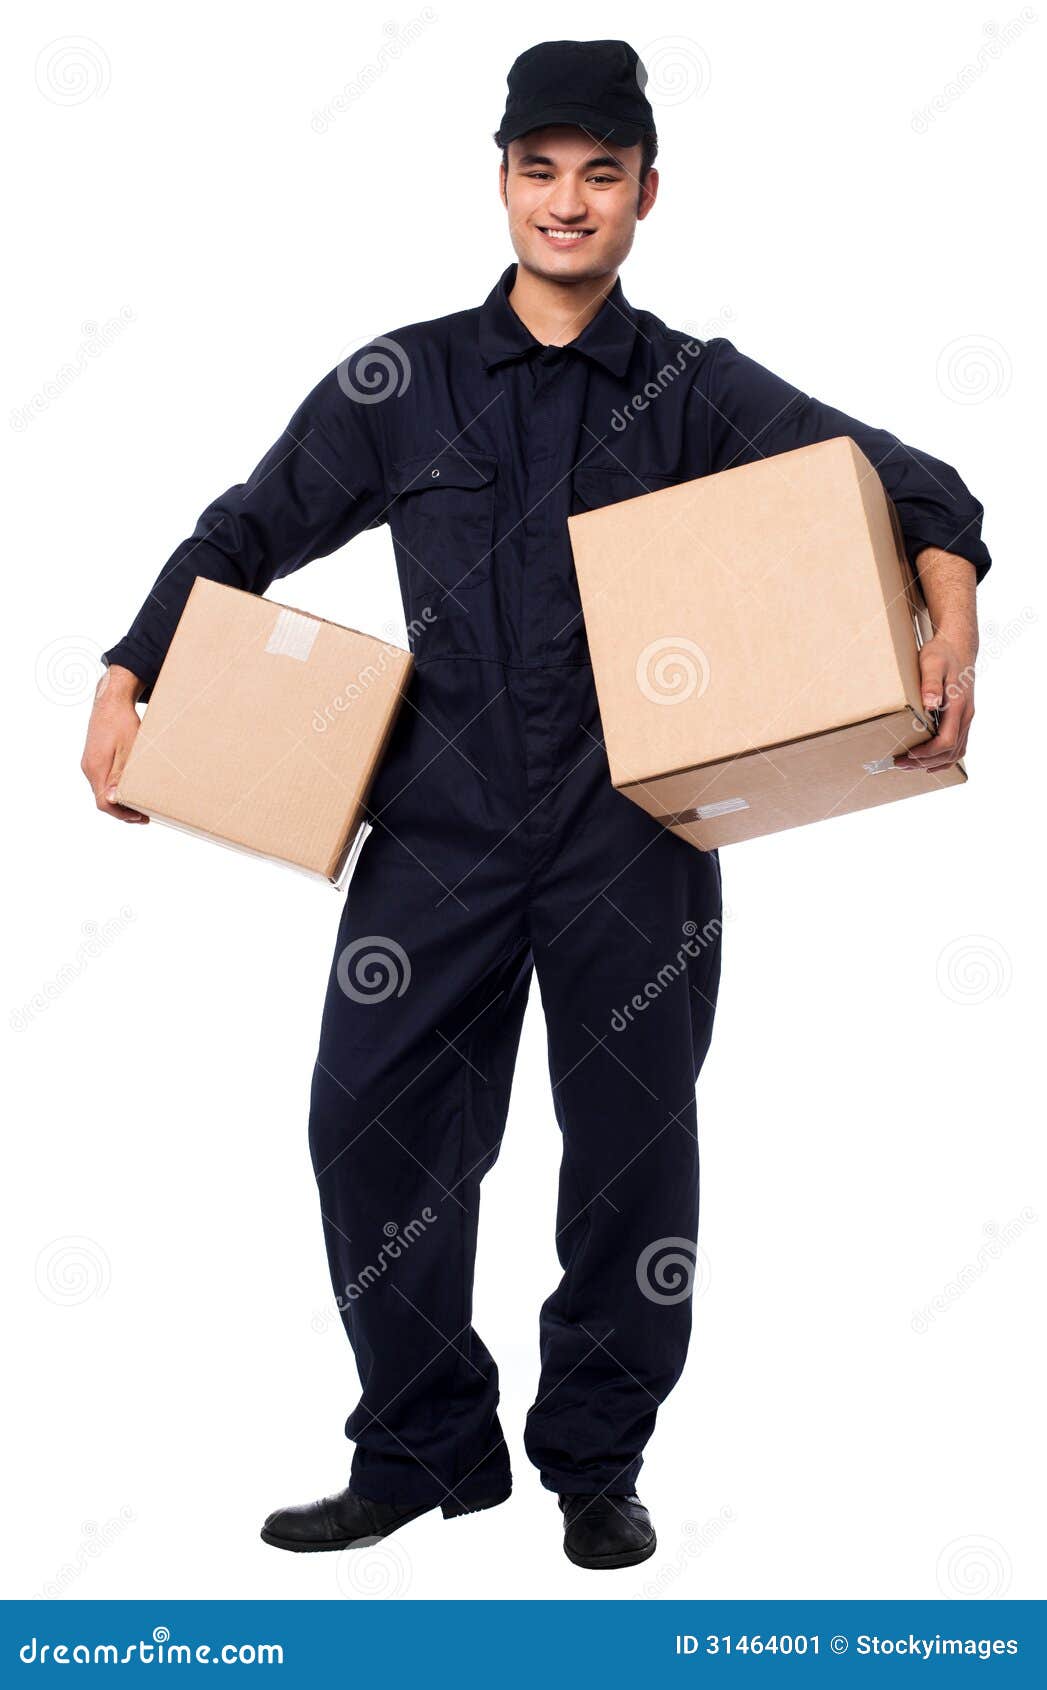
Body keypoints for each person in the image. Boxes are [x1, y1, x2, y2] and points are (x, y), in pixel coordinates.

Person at [81, 39, 991, 1571]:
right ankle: (420, 1444)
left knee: (633, 1155)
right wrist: (130, 668)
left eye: (601, 173)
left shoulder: (691, 385)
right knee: (366, 1123)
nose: (568, 201)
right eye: (540, 169)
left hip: (629, 828)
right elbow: (243, 533)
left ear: (647, 193)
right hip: (435, 823)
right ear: (501, 179)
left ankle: (596, 1462)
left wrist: (949, 610)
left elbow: (906, 481)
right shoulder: (403, 380)